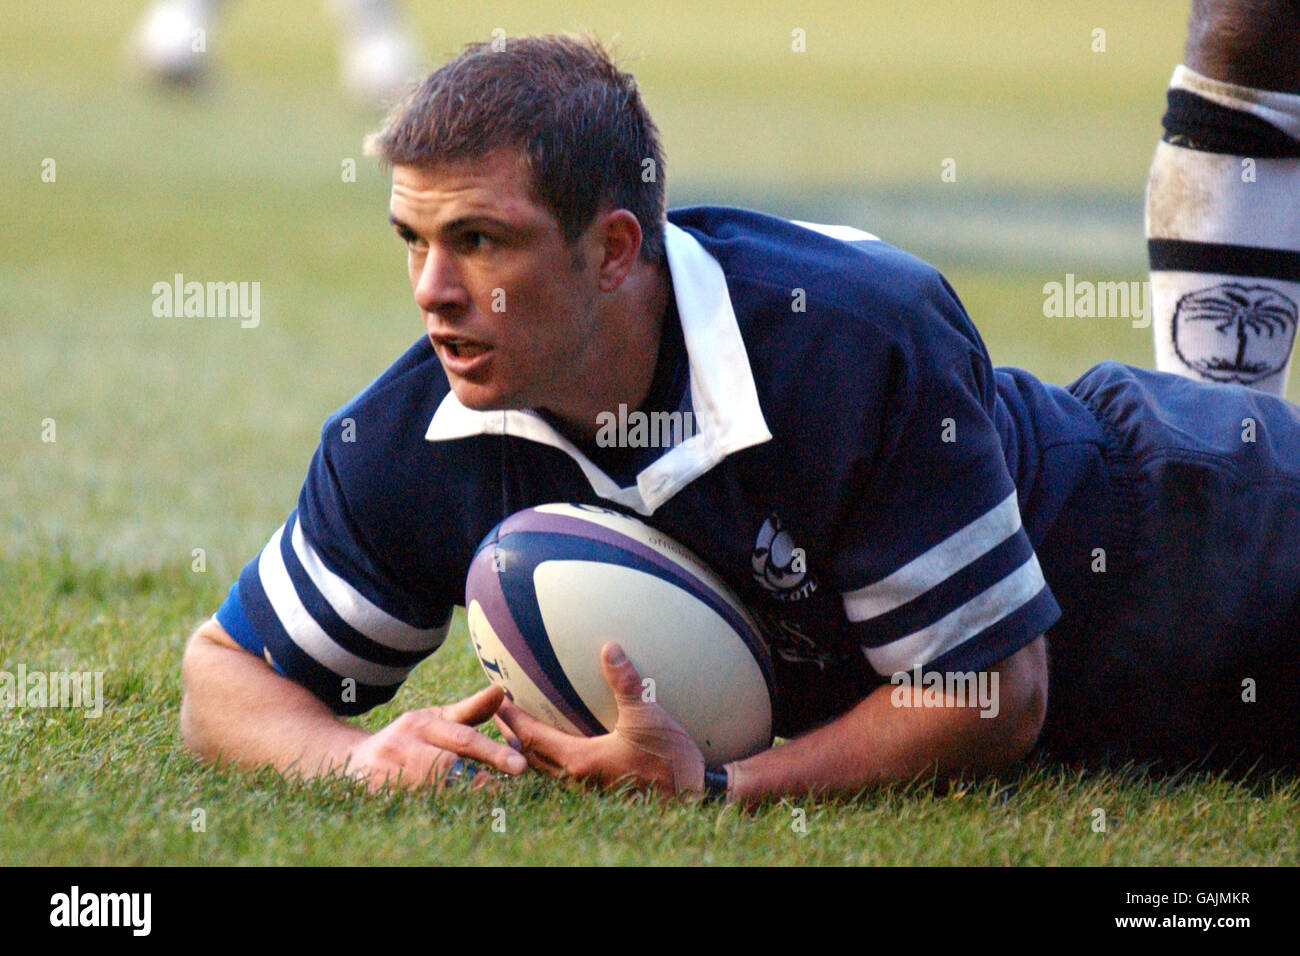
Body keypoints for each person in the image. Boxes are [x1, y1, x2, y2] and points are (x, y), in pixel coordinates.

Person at [180, 23, 1300, 805]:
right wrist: (350, 758)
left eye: (480, 240)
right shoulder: (417, 425)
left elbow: (995, 694)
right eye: (413, 240)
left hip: (1203, 541)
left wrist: (724, 789)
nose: (432, 289)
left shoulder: (850, 337)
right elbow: (223, 673)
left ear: (614, 248)